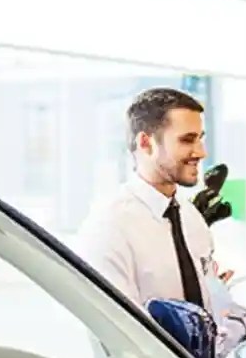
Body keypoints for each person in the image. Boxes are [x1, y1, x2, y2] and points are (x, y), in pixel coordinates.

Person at [75, 87, 225, 315]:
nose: (201, 152)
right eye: (187, 140)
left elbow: (213, 308)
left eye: (200, 139)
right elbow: (121, 329)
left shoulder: (191, 217)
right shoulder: (110, 226)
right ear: (146, 143)